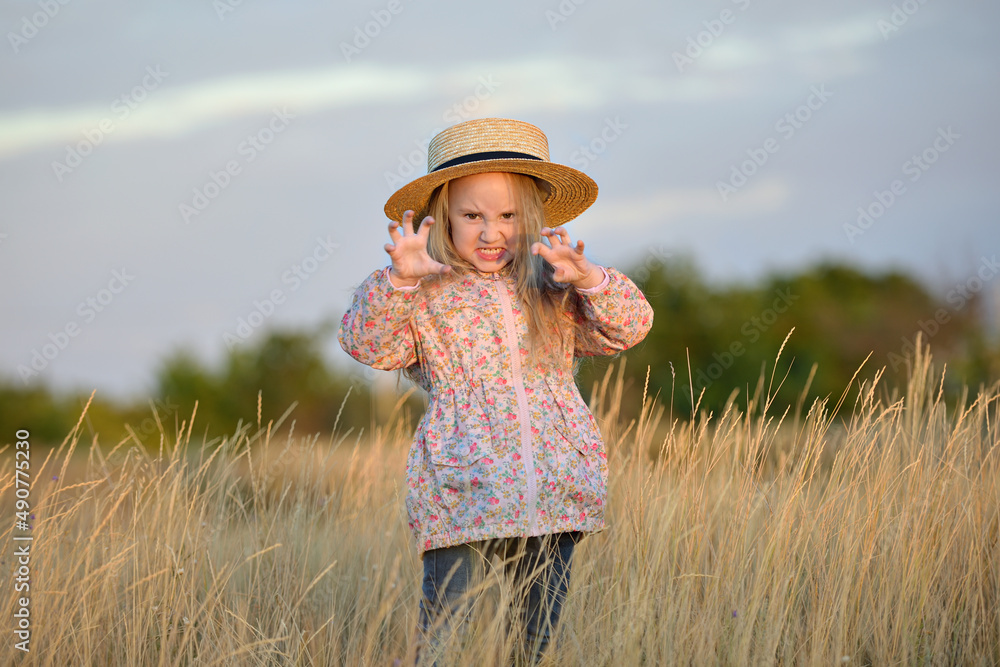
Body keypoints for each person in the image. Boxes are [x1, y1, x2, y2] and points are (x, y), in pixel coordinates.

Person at [338, 118, 654, 665]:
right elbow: (367, 343)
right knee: (444, 634)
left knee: (535, 641)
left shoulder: (553, 284)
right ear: (443, 219)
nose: (491, 233)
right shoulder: (427, 291)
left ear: (532, 217)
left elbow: (629, 328)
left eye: (508, 216)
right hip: (463, 485)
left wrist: (589, 279)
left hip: (553, 485)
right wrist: (401, 281)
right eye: (472, 216)